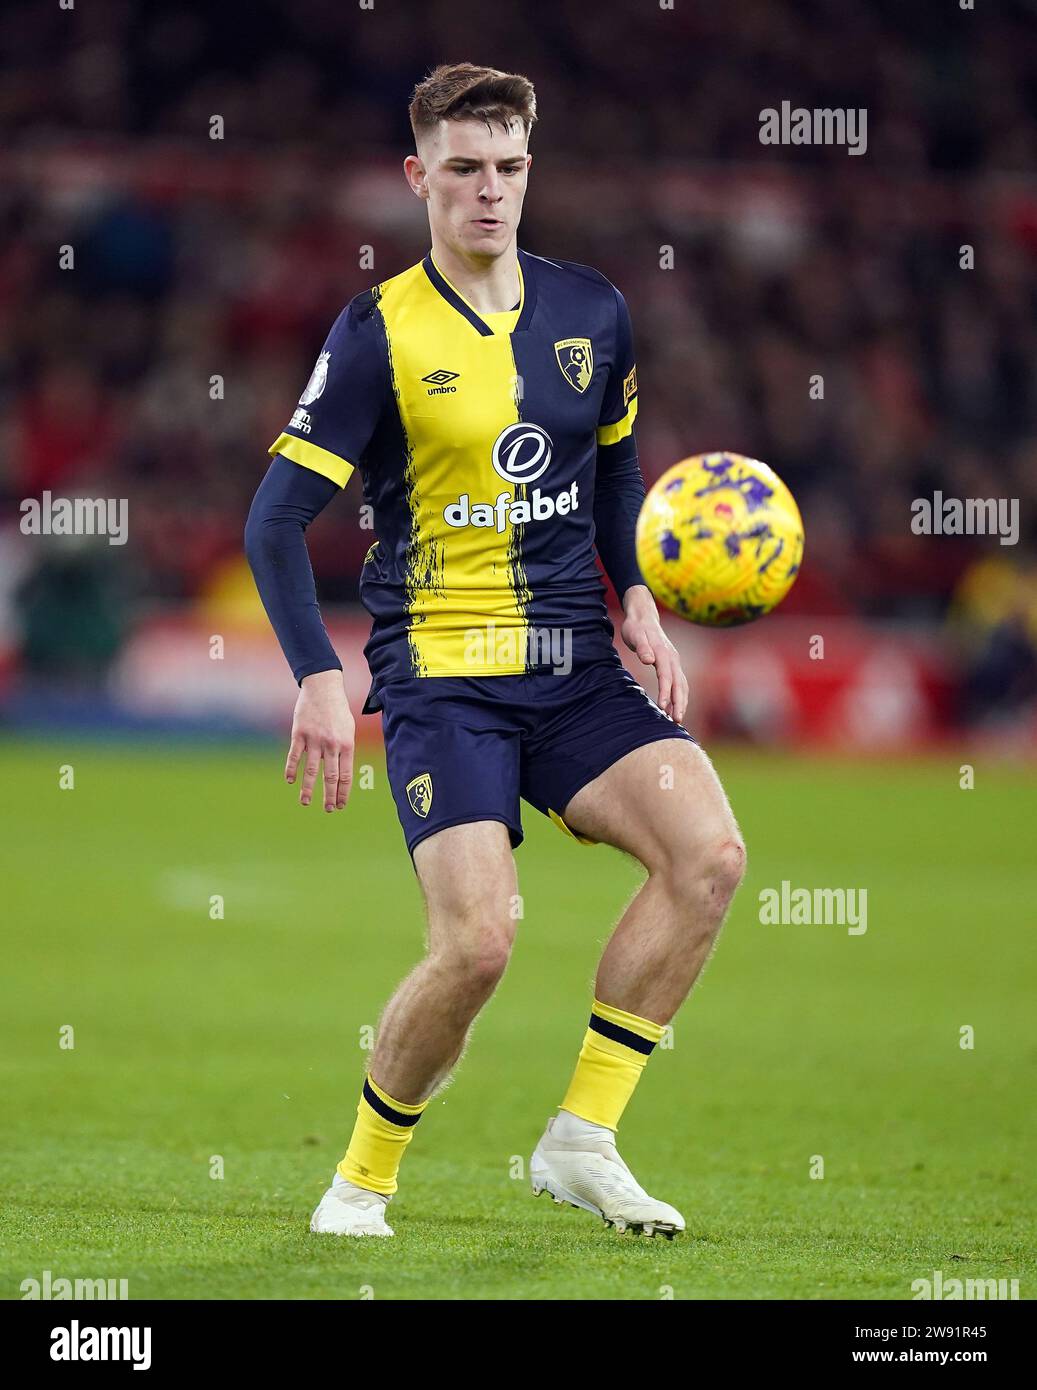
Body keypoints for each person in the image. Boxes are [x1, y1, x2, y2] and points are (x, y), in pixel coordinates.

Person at [245, 62, 746, 1240]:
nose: (488, 192)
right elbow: (275, 518)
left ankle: (582, 1138)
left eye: (509, 168)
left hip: (573, 664)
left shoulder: (593, 311)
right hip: (441, 673)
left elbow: (615, 464)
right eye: (463, 169)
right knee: (476, 942)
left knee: (709, 855)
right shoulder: (375, 333)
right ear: (417, 177)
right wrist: (321, 671)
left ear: (531, 171)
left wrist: (634, 595)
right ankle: (359, 1180)